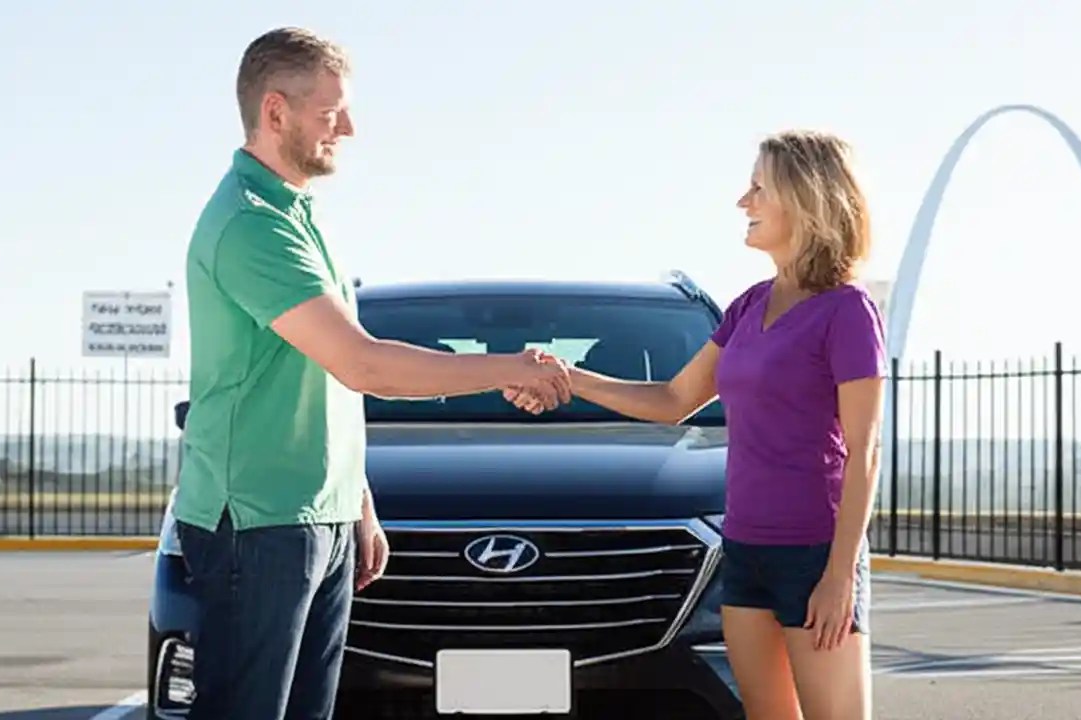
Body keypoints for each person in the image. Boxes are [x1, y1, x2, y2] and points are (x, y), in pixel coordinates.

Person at [173, 27, 571, 720]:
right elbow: (362, 362)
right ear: (275, 112)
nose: (349, 128)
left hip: (315, 515)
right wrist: (511, 365)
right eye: (331, 113)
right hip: (259, 523)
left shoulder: (300, 218)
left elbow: (318, 376)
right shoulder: (250, 225)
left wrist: (356, 499)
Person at [507, 129, 885, 720]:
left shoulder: (847, 310)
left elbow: (864, 449)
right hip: (745, 550)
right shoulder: (749, 305)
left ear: (806, 197)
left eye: (759, 188)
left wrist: (840, 577)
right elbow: (672, 398)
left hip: (816, 552)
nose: (744, 201)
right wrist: (569, 379)